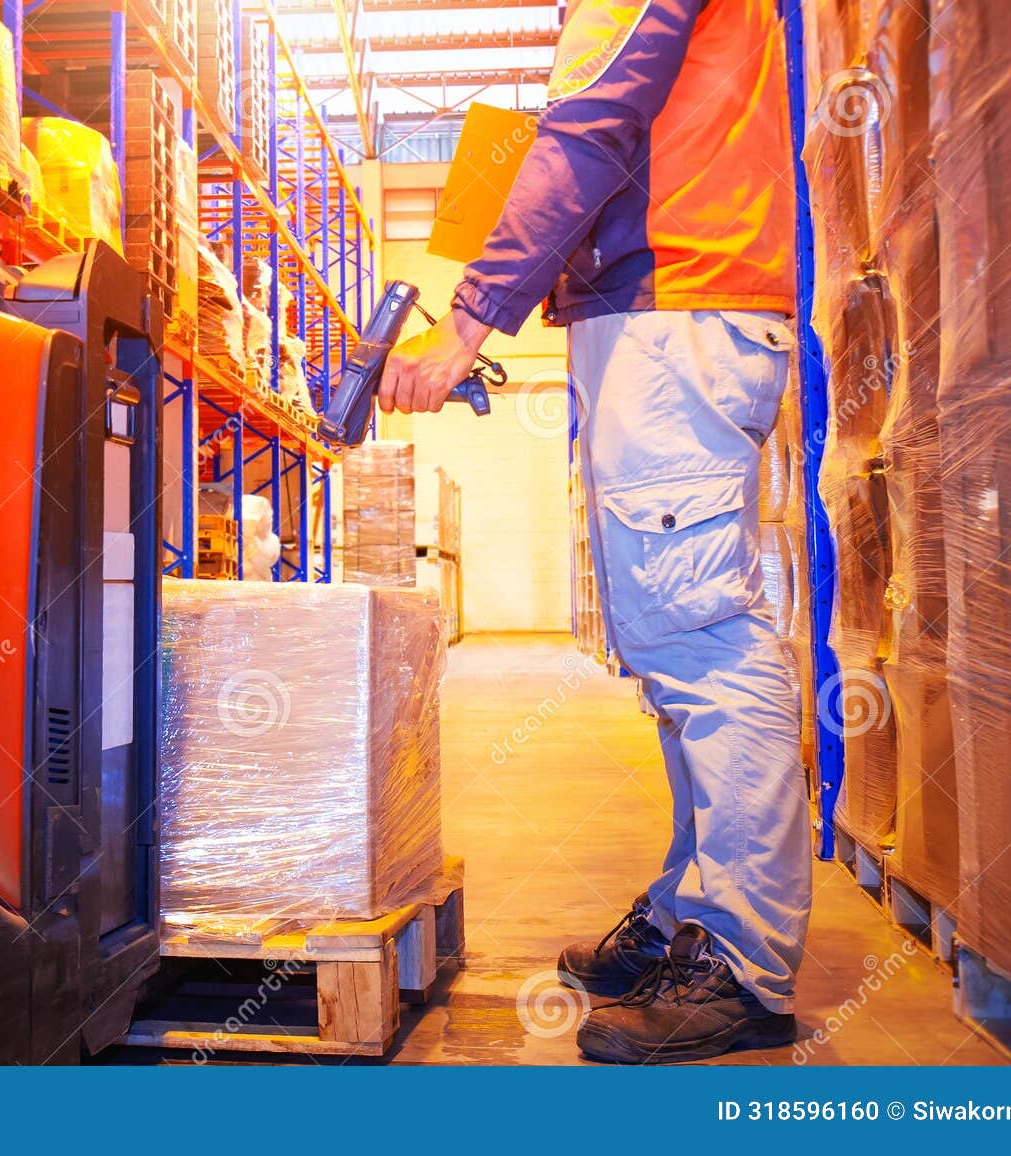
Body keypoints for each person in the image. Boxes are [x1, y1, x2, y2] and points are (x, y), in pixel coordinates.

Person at [379, 0, 812, 1063]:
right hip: (666, 304)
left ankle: (743, 965)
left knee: (703, 639)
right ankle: (684, 916)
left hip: (677, 306)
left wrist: (467, 317)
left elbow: (587, 126)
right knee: (675, 647)